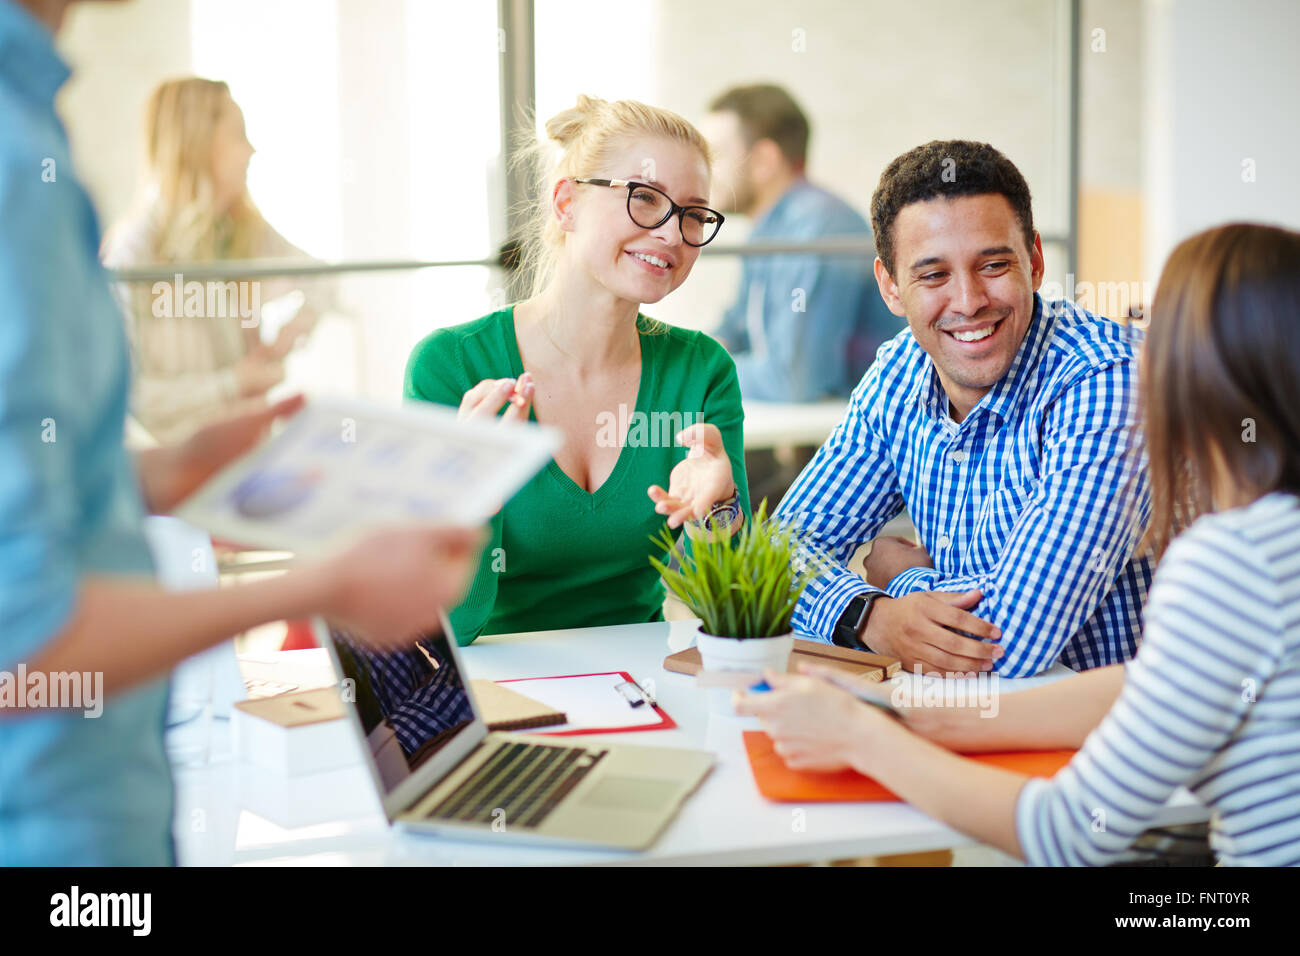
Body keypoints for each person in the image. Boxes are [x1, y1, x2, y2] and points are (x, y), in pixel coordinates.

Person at [0, 0, 482, 866]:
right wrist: (319, 584)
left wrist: (167, 468)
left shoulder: (39, 133)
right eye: (239, 134)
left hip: (100, 789)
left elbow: (35, 482)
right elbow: (23, 641)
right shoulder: (43, 183)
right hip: (54, 822)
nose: (254, 150)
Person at [739, 222, 1300, 867]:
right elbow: (1141, 685)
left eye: (1154, 325)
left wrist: (864, 735)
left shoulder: (1234, 561)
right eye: (932, 273)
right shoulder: (1272, 543)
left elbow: (1067, 834)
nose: (1135, 341)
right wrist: (893, 702)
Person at [775, 140, 1152, 677]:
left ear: (1036, 262)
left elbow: (1012, 641)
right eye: (933, 276)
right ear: (890, 287)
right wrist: (870, 613)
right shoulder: (899, 370)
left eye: (993, 264)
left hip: (1106, 739)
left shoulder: (1106, 380)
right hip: (961, 721)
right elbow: (782, 550)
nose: (970, 300)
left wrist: (897, 580)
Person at [406, 95, 749, 643]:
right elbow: (449, 627)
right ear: (566, 203)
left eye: (692, 213)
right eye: (645, 198)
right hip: (494, 687)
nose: (670, 233)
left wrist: (719, 518)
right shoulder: (451, 366)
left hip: (641, 688)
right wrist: (471, 498)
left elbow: (738, 619)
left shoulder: (702, 370)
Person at [102, 76, 339, 444]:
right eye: (238, 136)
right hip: (178, 468)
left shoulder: (241, 228)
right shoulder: (134, 251)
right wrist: (234, 382)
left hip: (245, 453)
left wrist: (288, 335)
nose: (251, 151)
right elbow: (131, 398)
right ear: (197, 144)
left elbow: (324, 278)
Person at [703, 84, 901, 403]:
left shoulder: (819, 227)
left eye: (716, 155)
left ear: (765, 160)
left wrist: (701, 374)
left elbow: (797, 379)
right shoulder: (766, 231)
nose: (705, 171)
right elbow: (734, 330)